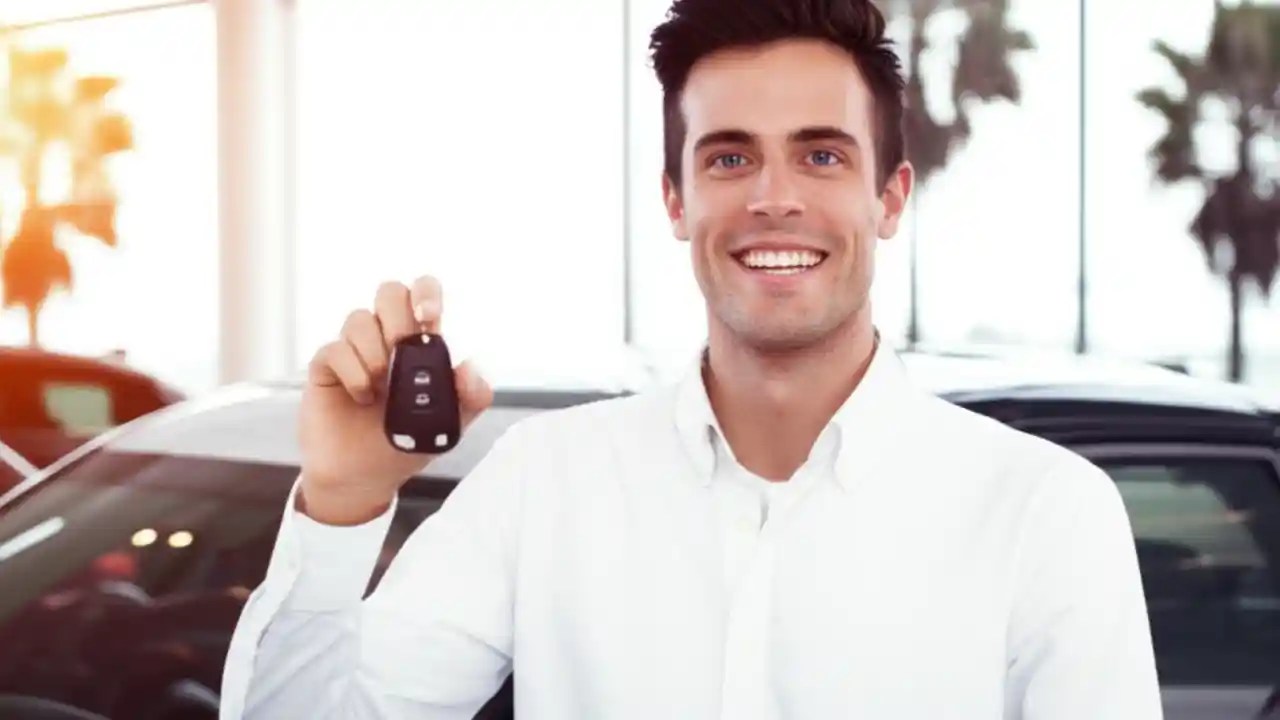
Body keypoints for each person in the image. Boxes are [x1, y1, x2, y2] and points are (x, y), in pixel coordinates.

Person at [219, 0, 1162, 717]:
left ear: (891, 197)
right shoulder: (547, 479)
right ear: (675, 199)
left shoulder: (1047, 512)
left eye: (823, 156)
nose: (774, 197)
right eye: (728, 158)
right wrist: (342, 505)